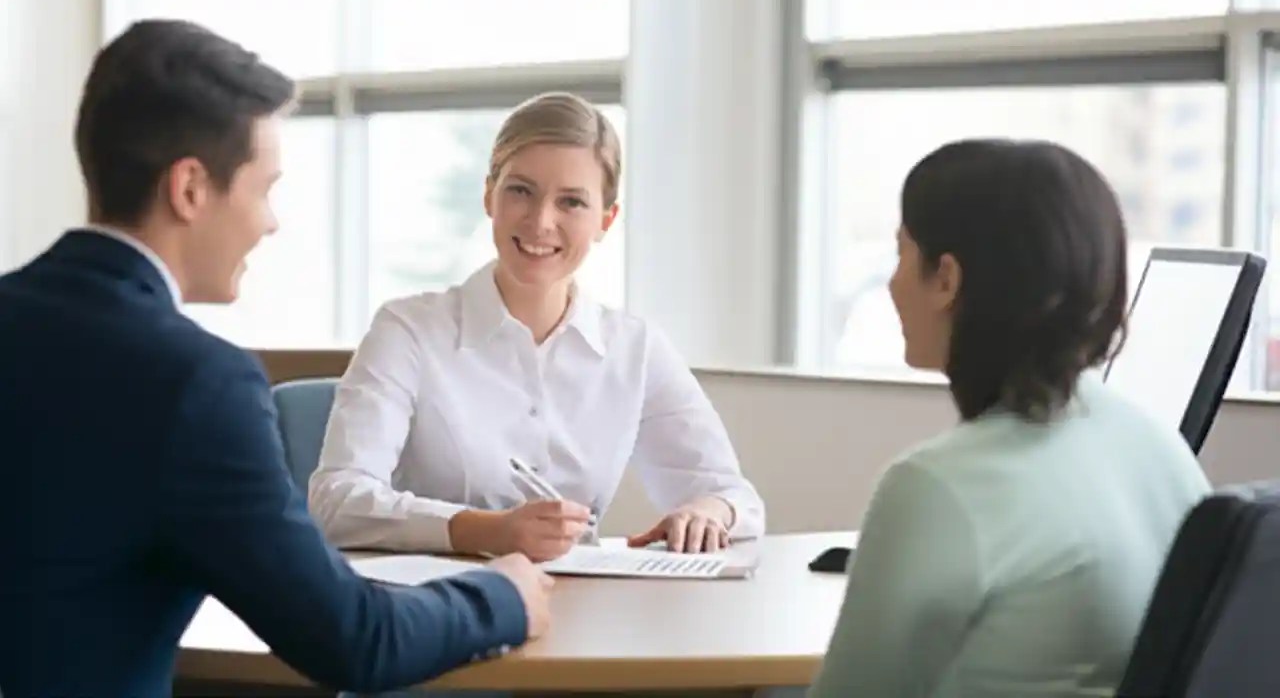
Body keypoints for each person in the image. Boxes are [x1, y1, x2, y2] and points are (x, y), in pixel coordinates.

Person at [0, 19, 551, 697]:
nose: (271, 221)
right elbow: (355, 639)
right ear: (190, 188)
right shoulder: (196, 384)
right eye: (264, 188)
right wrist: (503, 595)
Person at [807, 139, 1211, 697]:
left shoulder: (939, 486)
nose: (892, 283)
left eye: (902, 254)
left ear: (946, 279)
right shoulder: (1162, 450)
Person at [308, 92, 764, 561]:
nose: (541, 221)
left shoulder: (635, 349)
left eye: (571, 202)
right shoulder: (408, 330)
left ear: (606, 220)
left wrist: (709, 511)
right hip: (432, 612)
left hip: (577, 609)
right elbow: (336, 499)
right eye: (521, 191)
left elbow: (735, 496)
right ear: (489, 195)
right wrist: (486, 531)